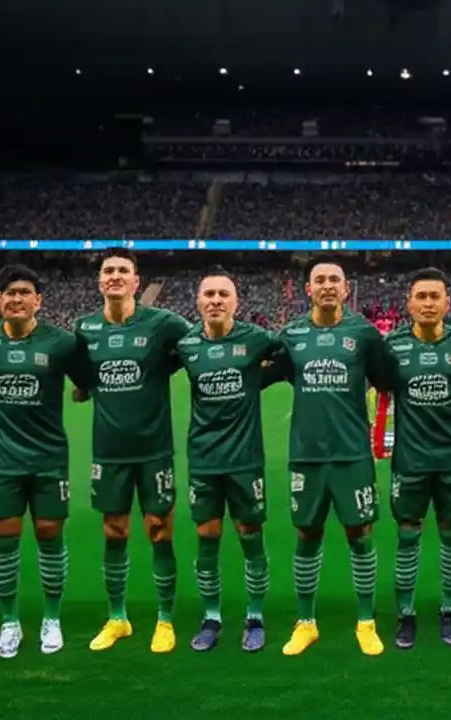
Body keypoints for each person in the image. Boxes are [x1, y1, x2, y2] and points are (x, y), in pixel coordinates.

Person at [265, 255, 392, 657]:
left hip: (352, 454)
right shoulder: (291, 336)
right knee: (307, 534)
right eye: (319, 279)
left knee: (360, 534)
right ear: (308, 289)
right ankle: (306, 623)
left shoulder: (365, 334)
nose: (326, 285)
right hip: (307, 455)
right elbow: (264, 373)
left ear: (346, 288)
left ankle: (367, 621)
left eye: (334, 279)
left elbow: (387, 378)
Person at [73, 247, 192, 653]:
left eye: (124, 270)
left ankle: (164, 619)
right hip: (108, 453)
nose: (115, 276)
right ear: (99, 280)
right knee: (114, 531)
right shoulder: (84, 329)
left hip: (155, 450)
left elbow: (196, 350)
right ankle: (117, 617)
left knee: (160, 531)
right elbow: (80, 380)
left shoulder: (163, 323)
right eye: (108, 270)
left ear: (136, 281)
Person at [0, 264, 87, 658]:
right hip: (1, 461)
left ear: (38, 300)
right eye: (8, 292)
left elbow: (88, 378)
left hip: (50, 459)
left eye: (23, 292)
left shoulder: (61, 343)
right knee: (4, 539)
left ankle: (51, 619)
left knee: (50, 535)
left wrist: (81, 391)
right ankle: (10, 621)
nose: (15, 298)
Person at [177, 269, 281, 653]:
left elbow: (287, 357)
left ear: (236, 302)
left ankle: (255, 616)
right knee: (207, 539)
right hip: (204, 460)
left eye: (224, 294)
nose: (216, 300)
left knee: (250, 538)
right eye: (209, 294)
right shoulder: (186, 345)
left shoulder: (255, 339)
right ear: (199, 302)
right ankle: (212, 617)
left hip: (245, 461)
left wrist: (259, 380)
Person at [381, 267, 451, 649]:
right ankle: (406, 614)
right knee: (407, 537)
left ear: (447, 303)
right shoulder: (393, 347)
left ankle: (449, 611)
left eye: (435, 296)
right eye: (421, 297)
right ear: (409, 304)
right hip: (410, 462)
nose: (428, 303)